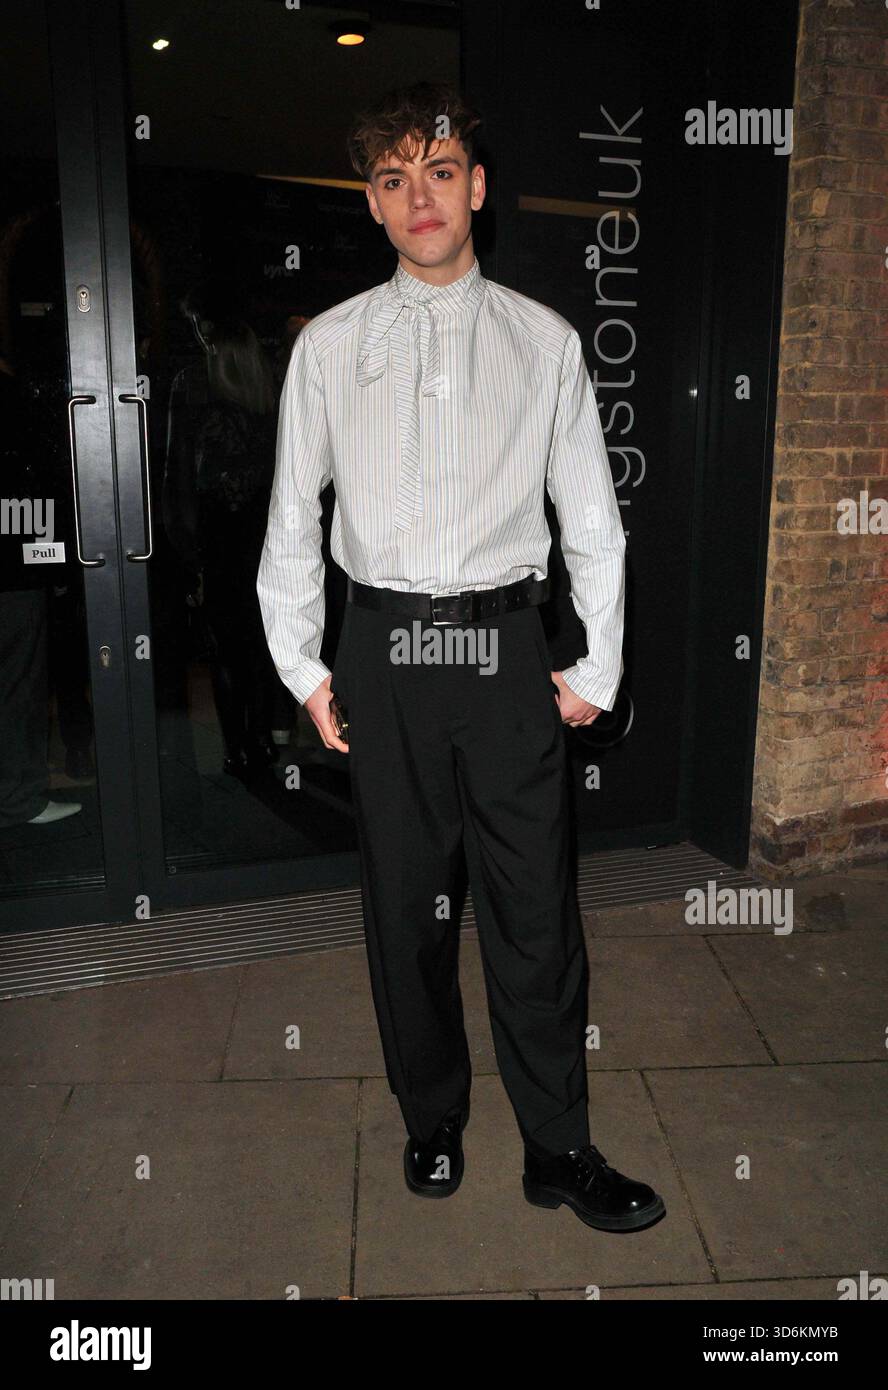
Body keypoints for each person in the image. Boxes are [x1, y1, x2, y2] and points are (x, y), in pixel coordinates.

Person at [257, 82, 665, 1233]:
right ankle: (431, 1118)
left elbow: (594, 518)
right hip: (381, 650)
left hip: (502, 647)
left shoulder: (545, 343)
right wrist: (303, 666)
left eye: (438, 170)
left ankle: (559, 1147)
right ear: (375, 208)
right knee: (407, 912)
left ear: (475, 187)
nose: (418, 195)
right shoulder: (330, 349)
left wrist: (596, 666)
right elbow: (292, 520)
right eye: (392, 179)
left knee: (537, 907)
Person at [164, 284, 282, 779]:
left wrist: (188, 553)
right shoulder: (270, 386)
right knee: (260, 645)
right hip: (267, 535)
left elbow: (177, 477)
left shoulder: (193, 384)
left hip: (219, 537)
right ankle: (260, 740)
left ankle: (239, 749)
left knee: (229, 649)